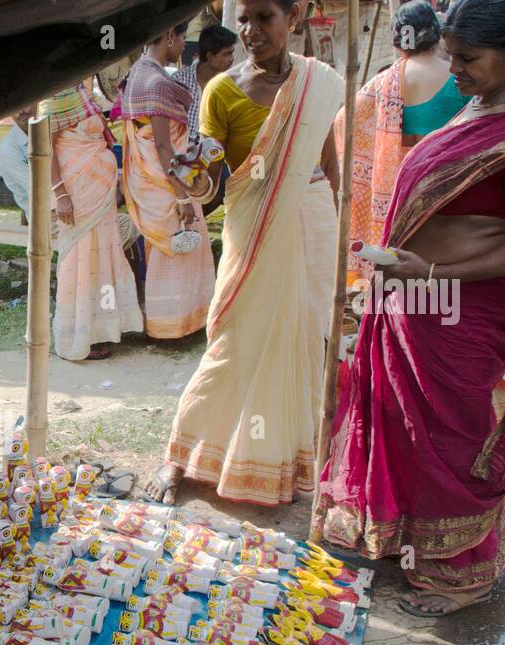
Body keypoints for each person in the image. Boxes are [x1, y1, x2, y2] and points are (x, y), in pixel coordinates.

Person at [316, 0, 505, 616]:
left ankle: (460, 571)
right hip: (411, 294)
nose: (454, 70)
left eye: (467, 59)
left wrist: (433, 272)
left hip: (460, 309)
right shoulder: (478, 106)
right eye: (450, 55)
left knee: (448, 439)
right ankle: (399, 538)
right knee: (395, 421)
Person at [144, 0, 343, 506]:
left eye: (264, 18)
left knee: (305, 334)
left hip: (313, 216)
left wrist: (342, 226)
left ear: (294, 17)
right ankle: (184, 455)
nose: (251, 31)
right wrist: (191, 178)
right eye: (245, 20)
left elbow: (327, 160)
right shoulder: (222, 90)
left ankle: (289, 459)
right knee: (234, 336)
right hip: (253, 220)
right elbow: (209, 175)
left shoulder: (317, 83)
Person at [338, 2, 468, 279]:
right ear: (438, 35)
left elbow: (342, 125)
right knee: (437, 272)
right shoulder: (460, 81)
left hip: (395, 192)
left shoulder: (381, 83)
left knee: (398, 270)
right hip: (447, 190)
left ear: (397, 40)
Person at [118, 24, 217, 339]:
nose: (184, 47)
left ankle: (176, 323)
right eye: (182, 38)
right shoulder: (157, 81)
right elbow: (162, 146)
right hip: (167, 180)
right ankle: (174, 326)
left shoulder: (137, 74)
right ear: (170, 36)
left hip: (151, 177)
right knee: (177, 247)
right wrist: (182, 197)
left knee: (169, 249)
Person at [42, 82, 145, 360]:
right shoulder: (55, 92)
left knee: (102, 257)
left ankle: (100, 329)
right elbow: (46, 147)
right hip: (76, 194)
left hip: (99, 192)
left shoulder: (81, 91)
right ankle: (75, 337)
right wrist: (60, 193)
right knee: (79, 258)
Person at [172, 23, 238, 216]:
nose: (232, 60)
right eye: (227, 54)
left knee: (223, 182)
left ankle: (197, 215)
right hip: (180, 154)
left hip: (211, 155)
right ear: (210, 56)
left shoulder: (228, 86)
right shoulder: (179, 82)